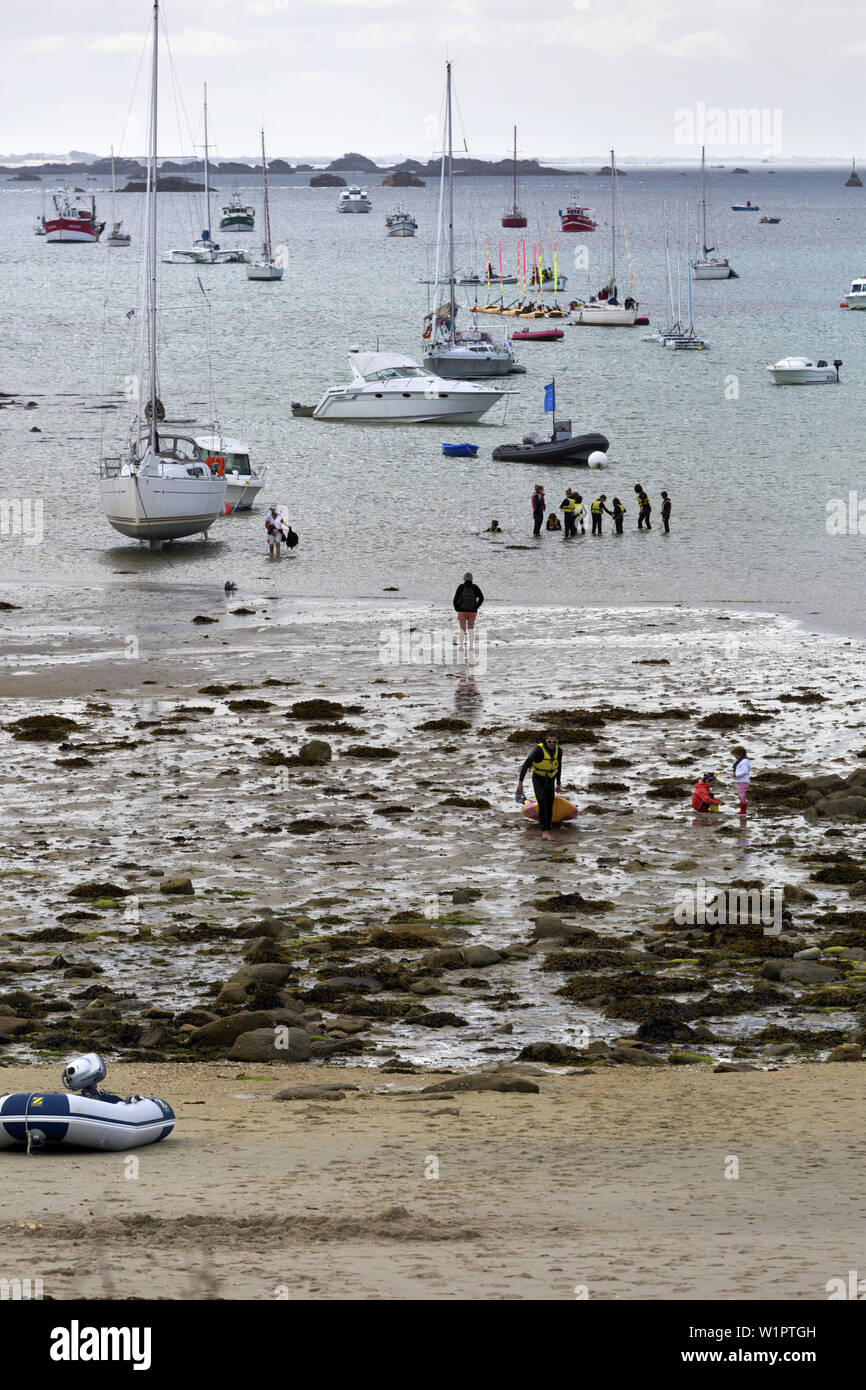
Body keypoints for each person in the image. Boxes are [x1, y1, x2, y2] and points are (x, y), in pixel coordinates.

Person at [516, 732, 563, 841]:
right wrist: (520, 784)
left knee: (549, 804)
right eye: (549, 741)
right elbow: (525, 765)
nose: (551, 744)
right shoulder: (538, 750)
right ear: (546, 740)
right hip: (538, 779)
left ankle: (547, 829)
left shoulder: (559, 751)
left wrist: (558, 783)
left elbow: (559, 766)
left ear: (557, 742)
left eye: (554, 742)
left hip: (550, 780)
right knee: (542, 802)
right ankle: (544, 831)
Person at [453, 571, 484, 650]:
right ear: (472, 579)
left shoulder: (461, 587)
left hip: (462, 611)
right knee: (471, 628)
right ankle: (471, 646)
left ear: (464, 578)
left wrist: (457, 608)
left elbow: (455, 599)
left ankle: (461, 646)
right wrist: (476, 607)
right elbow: (481, 598)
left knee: (462, 628)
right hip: (472, 612)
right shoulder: (475, 587)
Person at [732, 745, 751, 815]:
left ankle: (743, 810)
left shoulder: (744, 761)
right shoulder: (743, 761)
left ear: (740, 754)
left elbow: (745, 771)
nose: (735, 757)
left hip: (743, 781)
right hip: (741, 781)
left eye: (735, 756)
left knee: (741, 795)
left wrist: (736, 775)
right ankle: (743, 810)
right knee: (741, 795)